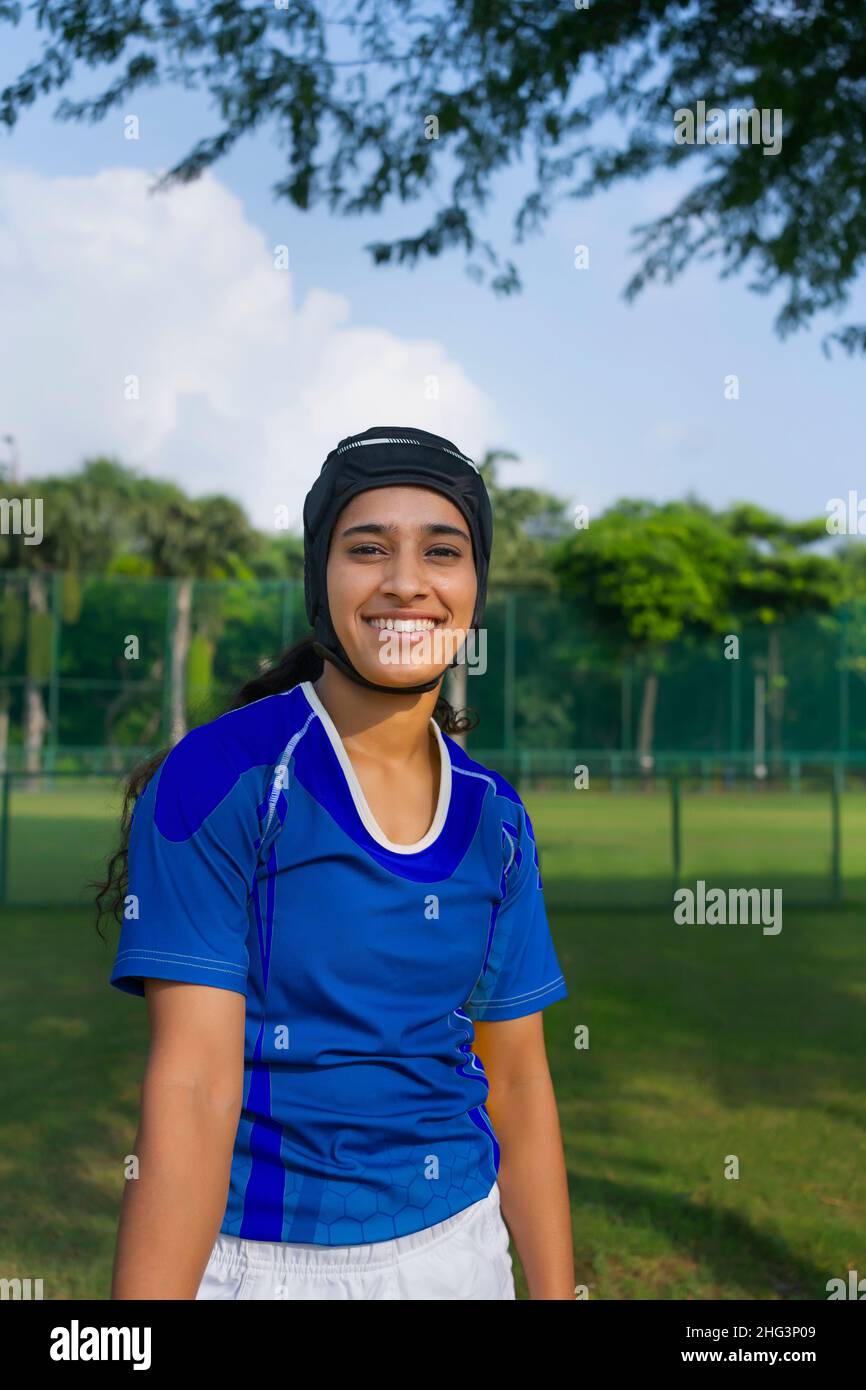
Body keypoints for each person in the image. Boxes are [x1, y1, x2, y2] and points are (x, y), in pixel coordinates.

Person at [100, 424, 573, 1300]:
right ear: (321, 578)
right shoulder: (225, 775)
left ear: (474, 588)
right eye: (367, 548)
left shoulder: (494, 815)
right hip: (261, 1262)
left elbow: (517, 1079)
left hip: (460, 1251)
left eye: (442, 550)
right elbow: (195, 1089)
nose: (406, 581)